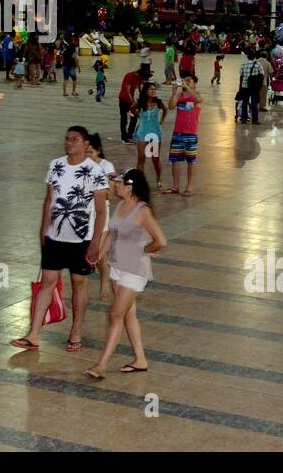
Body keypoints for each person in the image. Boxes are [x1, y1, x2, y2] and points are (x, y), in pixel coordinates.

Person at [10, 127, 109, 353]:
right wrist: (43, 231)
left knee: (79, 284)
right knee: (47, 281)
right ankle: (34, 333)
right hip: (55, 236)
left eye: (75, 139)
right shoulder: (55, 165)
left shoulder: (94, 171)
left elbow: (101, 211)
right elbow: (49, 201)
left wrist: (95, 242)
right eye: (67, 139)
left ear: (86, 144)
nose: (69, 142)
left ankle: (76, 331)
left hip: (81, 238)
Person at [83, 169, 168, 380]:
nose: (115, 186)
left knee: (115, 315)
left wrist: (145, 250)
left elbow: (161, 241)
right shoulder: (121, 206)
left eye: (119, 183)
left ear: (130, 187)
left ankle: (101, 365)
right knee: (128, 315)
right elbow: (112, 234)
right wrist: (98, 256)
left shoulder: (142, 211)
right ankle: (140, 359)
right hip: (117, 267)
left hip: (135, 271)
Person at [85, 133, 119, 302]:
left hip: (100, 214)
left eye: (90, 152)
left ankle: (104, 281)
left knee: (99, 252)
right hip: (83, 214)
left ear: (98, 151)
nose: (88, 156)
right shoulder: (80, 166)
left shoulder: (107, 166)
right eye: (86, 152)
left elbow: (110, 195)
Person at [166, 75, 202, 194]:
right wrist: (174, 92)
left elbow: (198, 100)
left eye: (188, 80)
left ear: (194, 83)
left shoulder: (197, 96)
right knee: (175, 160)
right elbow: (171, 106)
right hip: (178, 133)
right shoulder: (180, 96)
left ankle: (189, 187)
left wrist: (186, 87)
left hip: (191, 134)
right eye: (184, 80)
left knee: (191, 160)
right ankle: (176, 186)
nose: (185, 82)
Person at [132, 83, 167, 190]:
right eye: (151, 89)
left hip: (155, 133)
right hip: (142, 133)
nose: (154, 91)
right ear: (146, 91)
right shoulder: (140, 103)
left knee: (155, 159)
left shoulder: (158, 103)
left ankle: (159, 178)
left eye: (155, 89)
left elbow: (166, 109)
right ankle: (140, 182)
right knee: (141, 158)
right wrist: (139, 117)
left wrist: (162, 120)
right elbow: (132, 109)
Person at [118, 64, 148, 143]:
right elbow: (127, 90)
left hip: (131, 101)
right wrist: (133, 101)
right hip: (123, 99)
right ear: (139, 74)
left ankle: (130, 135)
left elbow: (141, 88)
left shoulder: (139, 78)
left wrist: (143, 98)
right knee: (124, 118)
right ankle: (124, 137)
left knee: (134, 118)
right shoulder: (129, 76)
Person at [236, 50, 263, 124]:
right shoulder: (258, 64)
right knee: (254, 103)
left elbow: (241, 77)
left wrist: (240, 87)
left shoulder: (243, 64)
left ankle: (244, 119)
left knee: (245, 103)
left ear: (247, 56)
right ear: (254, 57)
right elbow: (262, 75)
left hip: (245, 86)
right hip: (254, 87)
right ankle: (255, 120)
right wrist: (260, 86)